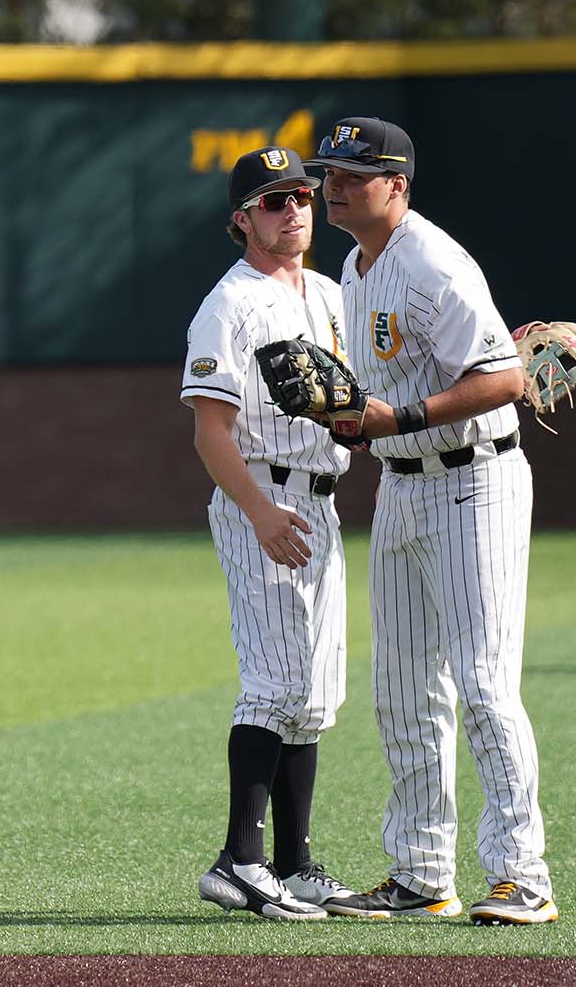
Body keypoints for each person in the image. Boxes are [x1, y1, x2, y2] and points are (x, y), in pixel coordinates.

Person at [306, 118, 558, 925]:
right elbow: (390, 387)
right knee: (404, 689)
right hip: (402, 487)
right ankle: (421, 874)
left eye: (351, 172)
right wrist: (350, 414)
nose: (332, 184)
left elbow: (506, 379)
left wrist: (400, 416)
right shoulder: (352, 262)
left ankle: (525, 877)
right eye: (330, 172)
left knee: (483, 683)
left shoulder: (433, 261)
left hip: (474, 483)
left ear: (398, 186)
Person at [180, 145, 360, 921]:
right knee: (275, 682)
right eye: (274, 201)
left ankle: (295, 864)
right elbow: (210, 432)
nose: (294, 211)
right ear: (241, 220)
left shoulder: (328, 291)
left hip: (320, 499)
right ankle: (239, 862)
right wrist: (256, 511)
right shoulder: (231, 304)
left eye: (301, 197)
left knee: (315, 694)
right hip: (264, 497)